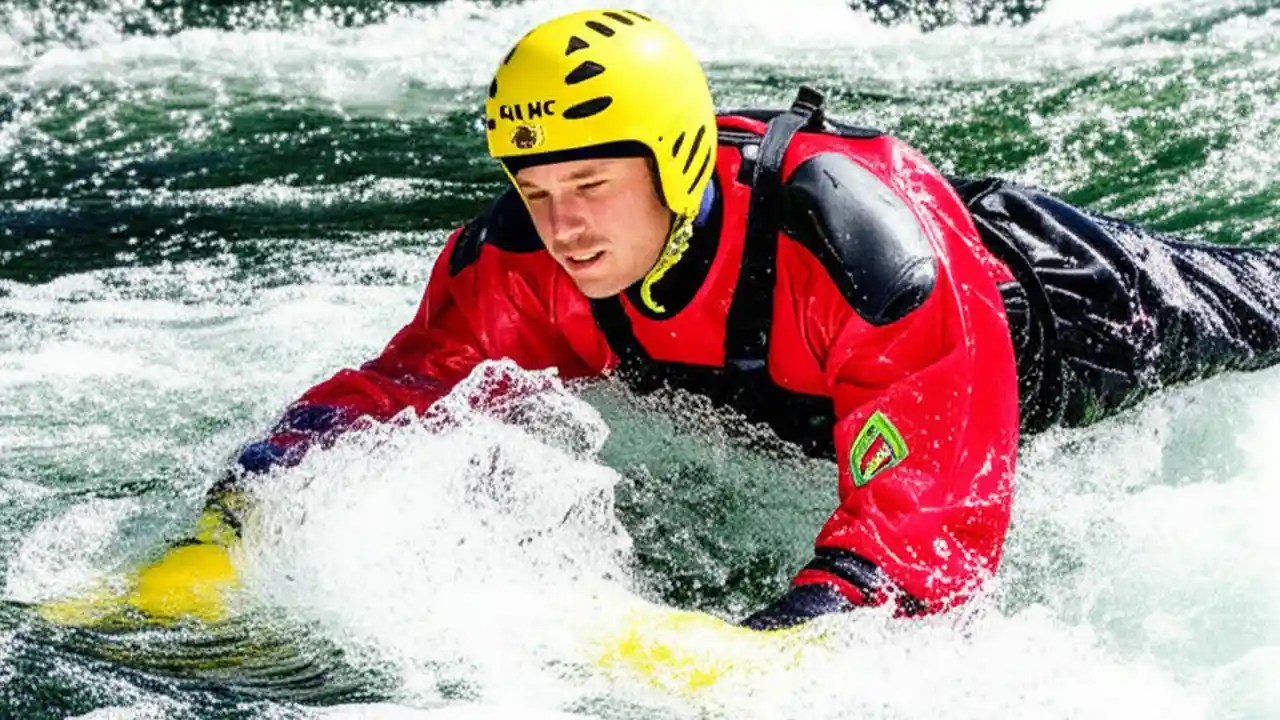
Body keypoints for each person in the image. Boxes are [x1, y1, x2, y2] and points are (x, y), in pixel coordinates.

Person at [175, 9, 1280, 629]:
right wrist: (245, 501)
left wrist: (787, 640)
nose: (559, 225)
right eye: (534, 187)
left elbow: (929, 532)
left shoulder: (858, 254)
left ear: (680, 161)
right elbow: (398, 390)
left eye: (590, 187)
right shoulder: (516, 259)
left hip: (1050, 307)